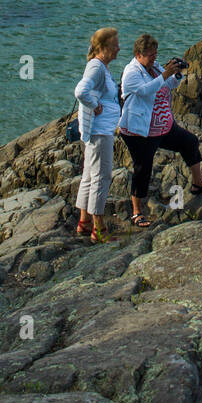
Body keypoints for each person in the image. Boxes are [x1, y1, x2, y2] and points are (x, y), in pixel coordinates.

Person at [119, 33, 202, 226]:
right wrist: (165, 74)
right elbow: (147, 91)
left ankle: (198, 183)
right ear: (138, 54)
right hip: (141, 131)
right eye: (150, 55)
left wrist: (176, 74)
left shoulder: (154, 67)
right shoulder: (131, 73)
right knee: (143, 168)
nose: (155, 58)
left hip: (163, 127)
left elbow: (169, 84)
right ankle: (137, 212)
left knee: (189, 142)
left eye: (156, 54)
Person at [74, 26, 122, 243]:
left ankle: (84, 222)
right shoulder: (96, 68)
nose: (119, 49)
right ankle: (99, 229)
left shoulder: (99, 66)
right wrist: (95, 105)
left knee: (88, 176)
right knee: (101, 178)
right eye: (114, 46)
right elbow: (80, 91)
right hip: (99, 132)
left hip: (94, 131)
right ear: (102, 48)